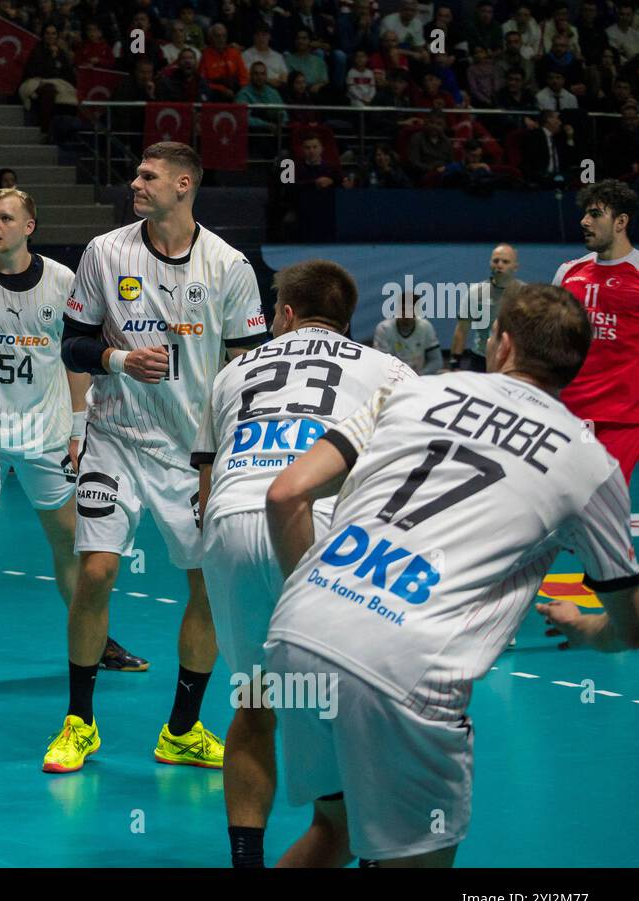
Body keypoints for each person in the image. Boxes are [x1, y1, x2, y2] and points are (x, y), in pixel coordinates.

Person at [263, 283, 639, 867]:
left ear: (503, 344)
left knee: (331, 832)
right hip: (406, 667)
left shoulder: (413, 391)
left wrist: (323, 600)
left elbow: (287, 491)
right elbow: (632, 625)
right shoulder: (588, 461)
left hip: (300, 630)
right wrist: (587, 627)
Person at [50, 141, 269, 773]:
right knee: (95, 572)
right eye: (136, 173)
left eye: (148, 176)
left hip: (193, 454)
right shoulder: (104, 252)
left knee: (207, 587)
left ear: (184, 185)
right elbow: (73, 345)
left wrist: (227, 456)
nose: (135, 184)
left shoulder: (228, 266)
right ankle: (79, 722)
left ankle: (181, 728)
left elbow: (246, 367)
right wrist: (118, 360)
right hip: (115, 439)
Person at [195, 260, 415, 868]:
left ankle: (247, 861)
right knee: (349, 701)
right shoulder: (388, 368)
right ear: (346, 320)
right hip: (317, 520)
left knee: (255, 700)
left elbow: (205, 479)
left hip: (233, 518)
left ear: (285, 313)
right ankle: (364, 845)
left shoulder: (234, 369)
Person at [0, 187, 148, 691]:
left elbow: (79, 358)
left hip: (46, 432)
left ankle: (98, 642)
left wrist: (80, 429)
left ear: (29, 226)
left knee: (73, 545)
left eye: (5, 217)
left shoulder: (65, 283)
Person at [553, 180, 639, 484]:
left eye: (594, 214)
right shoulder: (569, 272)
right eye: (584, 214)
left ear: (621, 222)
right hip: (566, 412)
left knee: (598, 502)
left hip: (621, 419)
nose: (583, 222)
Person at [451, 243, 522, 372]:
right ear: (490, 263)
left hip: (513, 361)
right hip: (480, 359)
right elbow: (462, 329)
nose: (499, 265)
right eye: (496, 261)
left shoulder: (525, 293)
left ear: (515, 267)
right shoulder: (475, 292)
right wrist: (455, 363)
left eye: (505, 261)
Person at [373, 292, 441, 374]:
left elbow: (436, 361)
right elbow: (381, 363)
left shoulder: (426, 327)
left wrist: (419, 376)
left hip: (419, 377)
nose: (407, 314)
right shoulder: (384, 329)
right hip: (392, 378)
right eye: (403, 309)